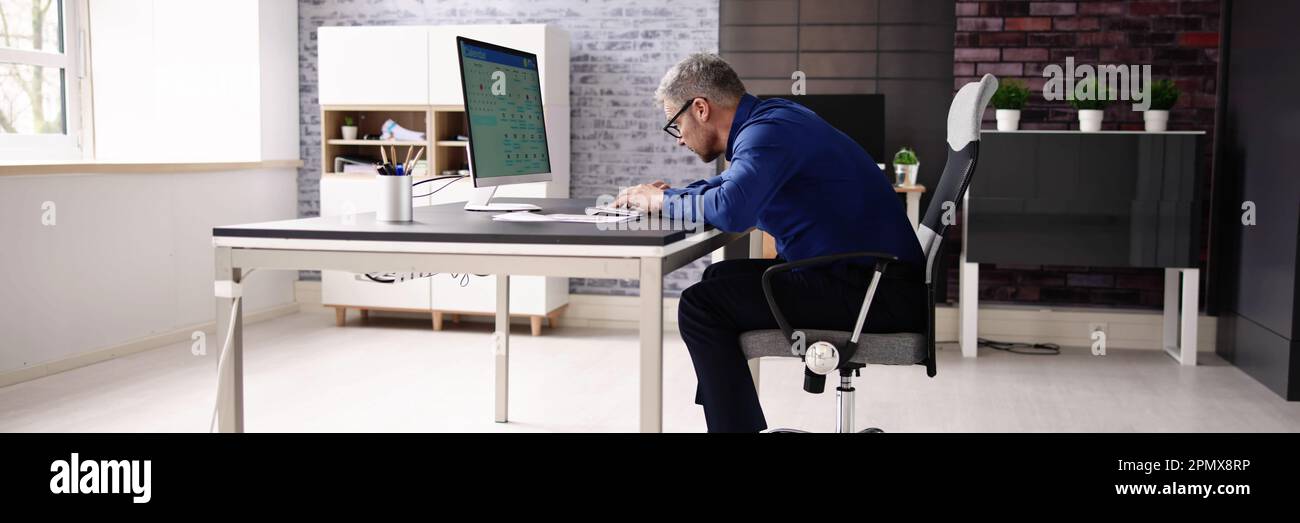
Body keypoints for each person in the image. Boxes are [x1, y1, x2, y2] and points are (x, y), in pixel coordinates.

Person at [613, 53, 928, 433]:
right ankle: (733, 419)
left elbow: (733, 210)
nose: (679, 138)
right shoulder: (774, 119)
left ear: (700, 108)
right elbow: (730, 188)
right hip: (867, 279)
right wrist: (673, 194)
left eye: (674, 123)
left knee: (700, 306)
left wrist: (663, 202)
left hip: (872, 293)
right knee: (716, 278)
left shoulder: (766, 134)